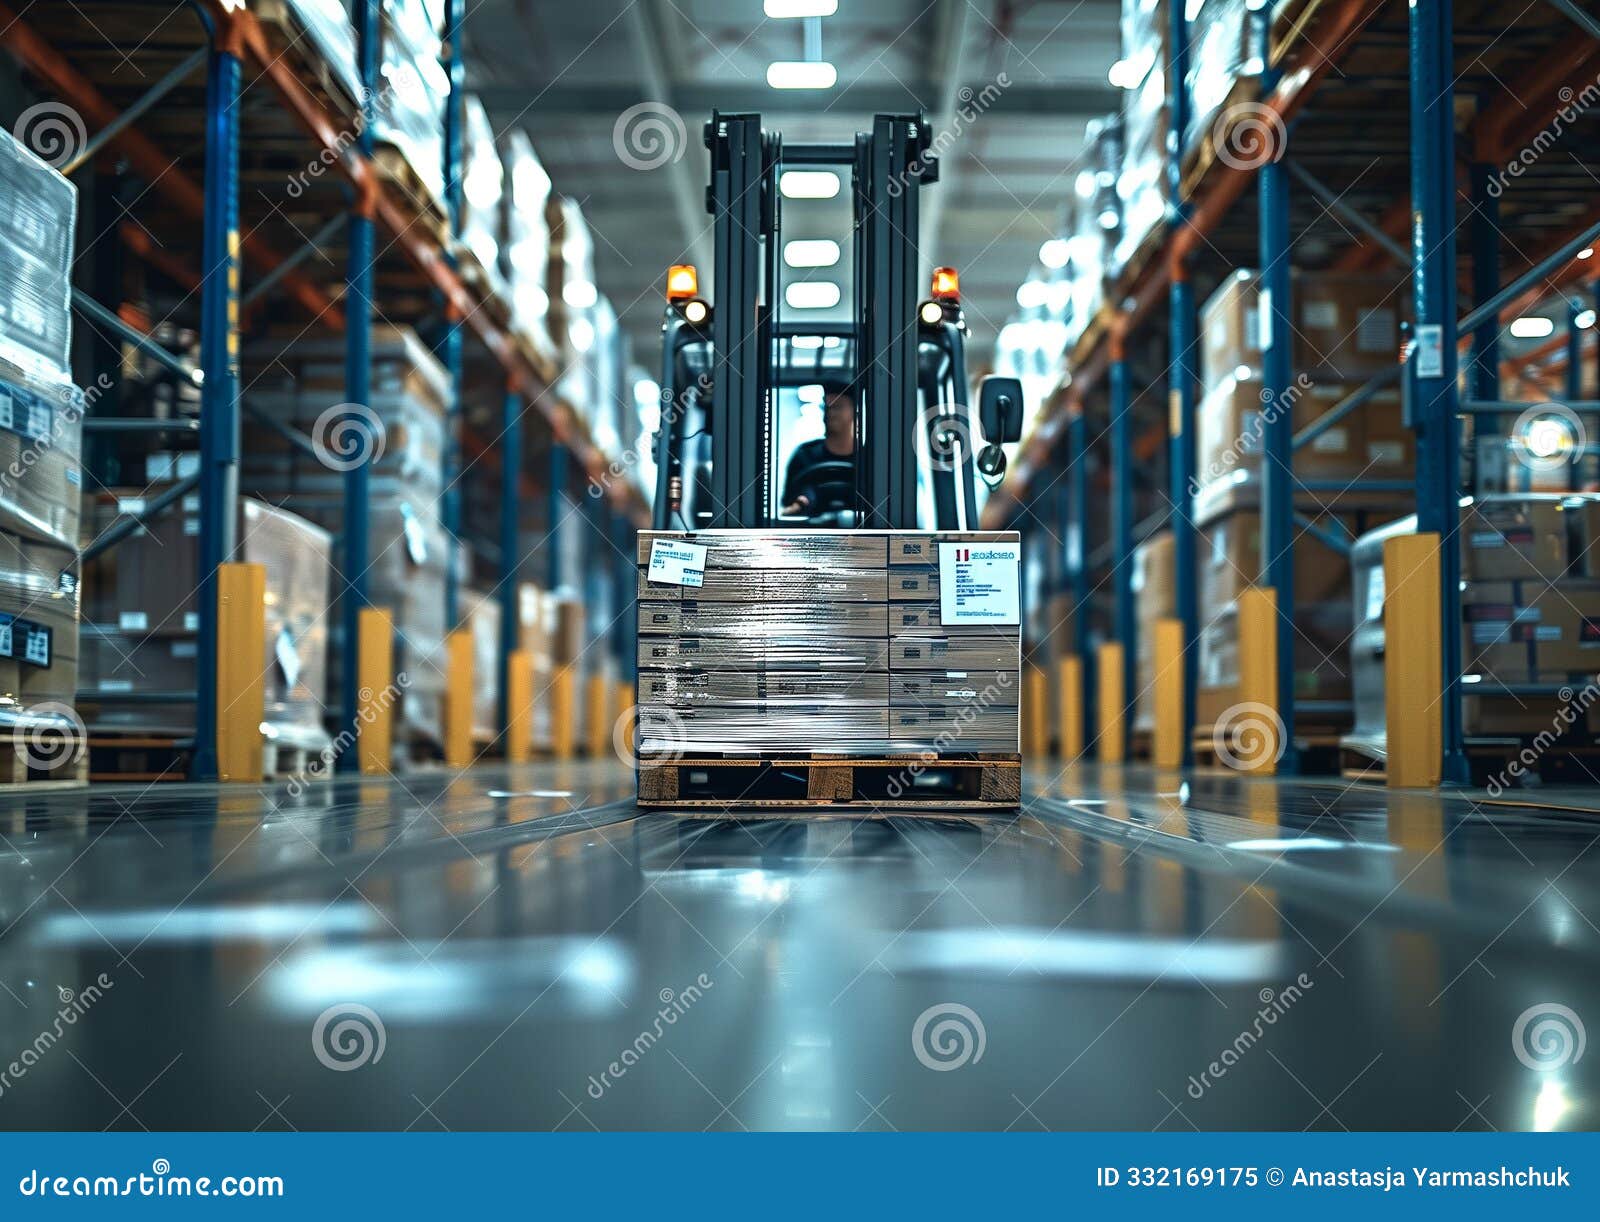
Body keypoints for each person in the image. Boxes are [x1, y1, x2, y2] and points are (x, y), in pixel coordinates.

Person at [781, 385, 856, 516]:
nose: (830, 413)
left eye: (837, 407)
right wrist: (800, 503)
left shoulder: (870, 458)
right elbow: (789, 504)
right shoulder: (804, 455)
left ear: (855, 411)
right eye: (826, 408)